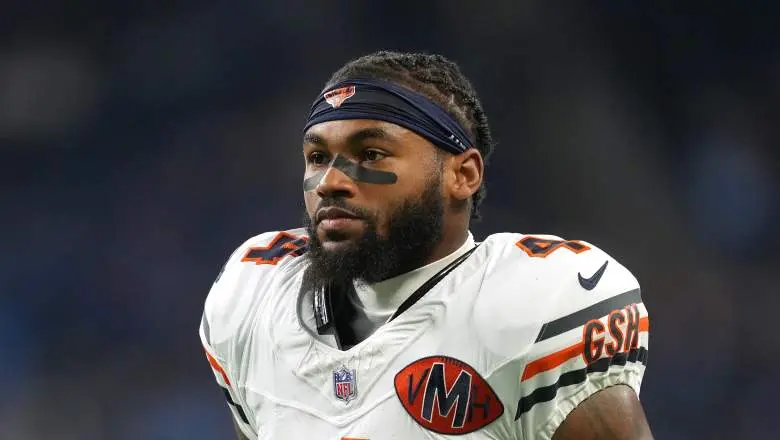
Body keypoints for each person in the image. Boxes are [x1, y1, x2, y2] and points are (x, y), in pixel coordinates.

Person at [199, 50, 653, 440]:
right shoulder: (254, 297)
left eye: (371, 154)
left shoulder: (535, 302)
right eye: (317, 157)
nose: (330, 182)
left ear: (463, 175)